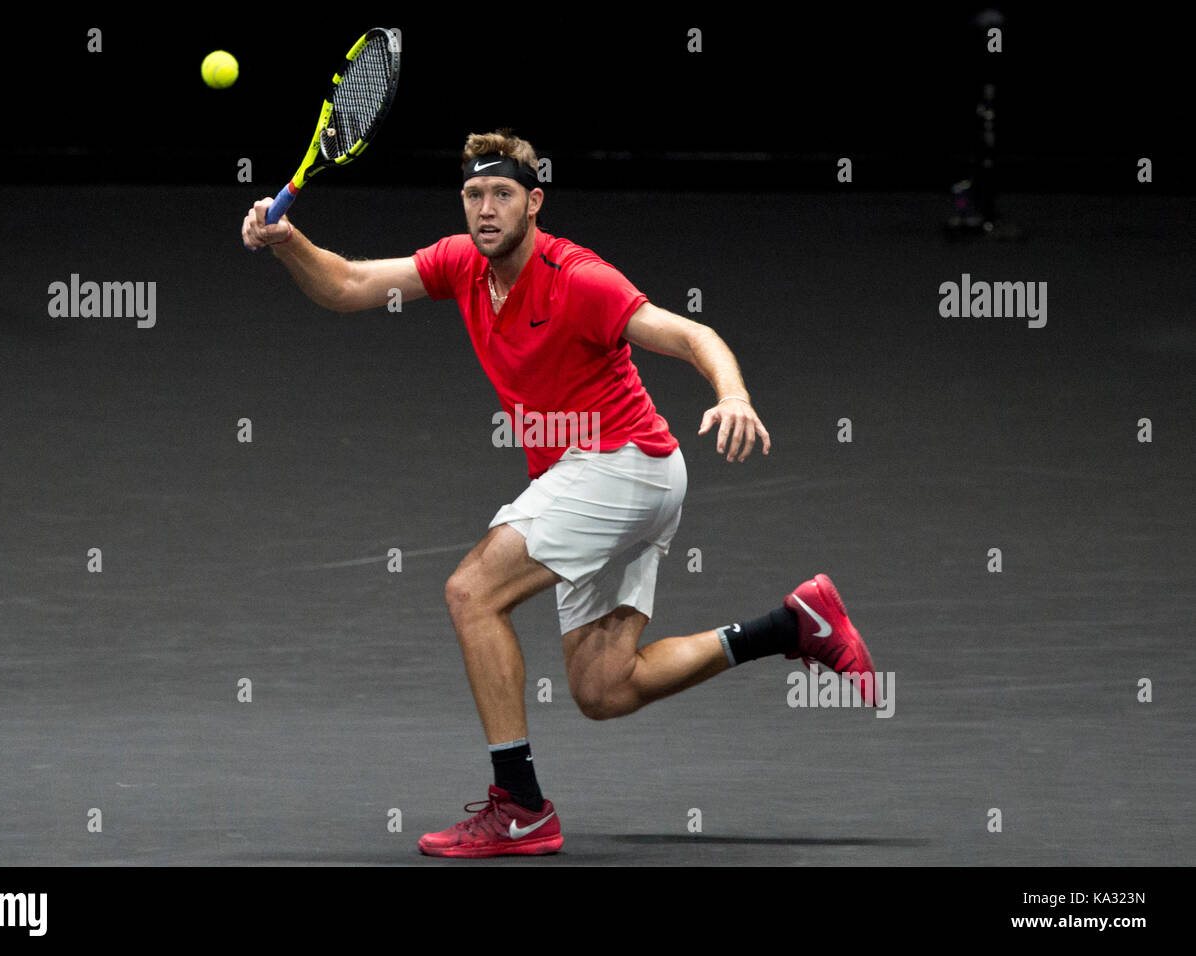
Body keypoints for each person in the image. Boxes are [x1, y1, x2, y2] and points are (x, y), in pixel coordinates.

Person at [241, 130, 877, 858]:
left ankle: (519, 808)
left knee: (471, 592)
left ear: (534, 202)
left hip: (623, 463)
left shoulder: (579, 278)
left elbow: (692, 335)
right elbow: (349, 286)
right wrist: (286, 239)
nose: (486, 209)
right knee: (605, 689)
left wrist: (732, 394)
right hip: (615, 475)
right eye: (474, 195)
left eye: (502, 195)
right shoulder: (460, 264)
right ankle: (794, 627)